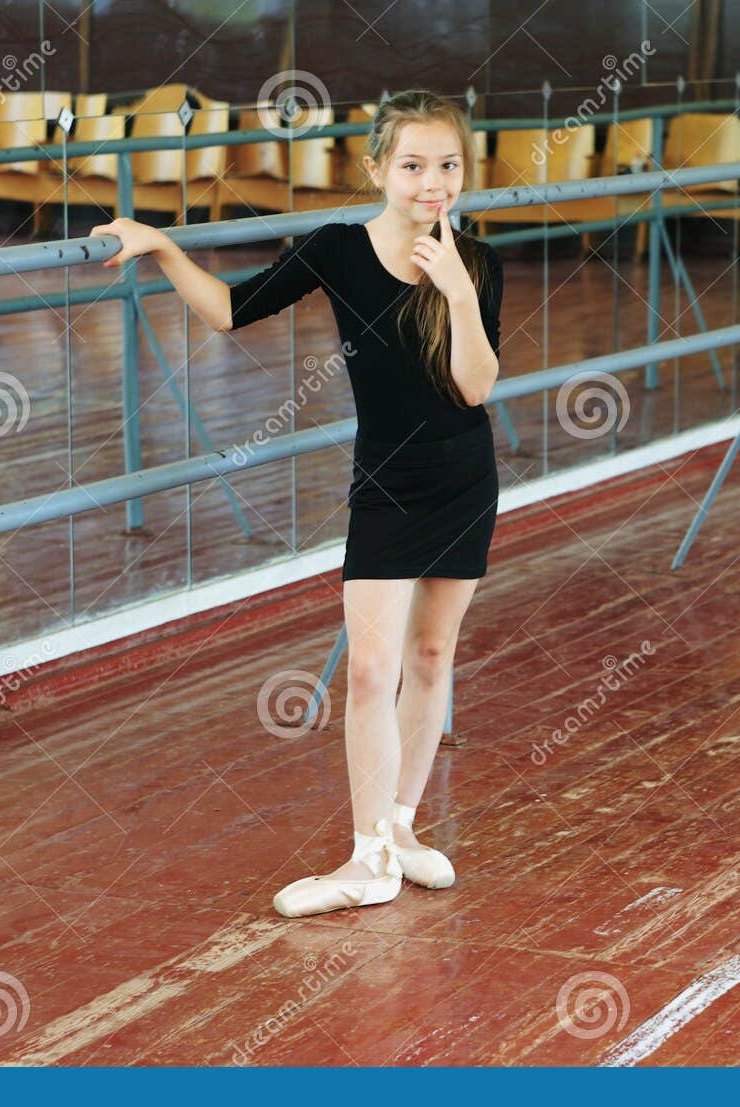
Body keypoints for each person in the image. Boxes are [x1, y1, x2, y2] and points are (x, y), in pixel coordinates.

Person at [88, 90, 504, 919]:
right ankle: (365, 859)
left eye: (449, 165)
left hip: (464, 476)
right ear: (378, 168)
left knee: (429, 660)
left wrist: (457, 290)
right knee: (370, 669)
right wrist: (164, 246)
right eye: (415, 165)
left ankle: (400, 832)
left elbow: (475, 386)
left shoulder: (476, 261)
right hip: (386, 486)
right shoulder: (337, 250)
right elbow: (233, 310)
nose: (433, 183)